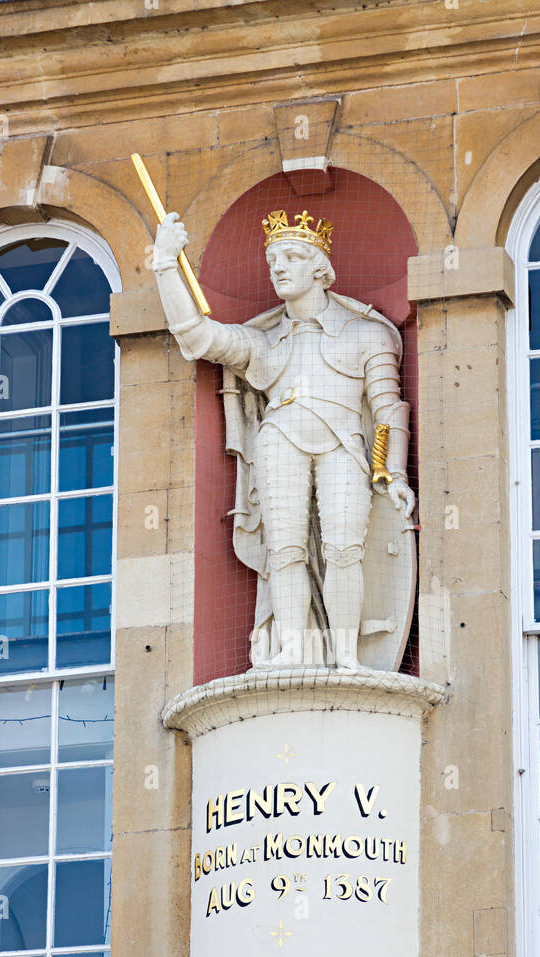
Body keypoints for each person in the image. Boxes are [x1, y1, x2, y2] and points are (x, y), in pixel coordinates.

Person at [152, 206, 415, 669]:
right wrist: (165, 266)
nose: (277, 267)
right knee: (286, 549)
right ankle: (293, 647)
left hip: (346, 445)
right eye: (274, 258)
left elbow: (387, 408)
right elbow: (196, 337)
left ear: (320, 268)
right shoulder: (265, 340)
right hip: (280, 439)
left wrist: (394, 472)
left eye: (291, 256)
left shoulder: (367, 334)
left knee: (344, 548)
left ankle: (347, 654)